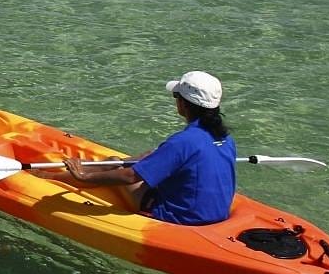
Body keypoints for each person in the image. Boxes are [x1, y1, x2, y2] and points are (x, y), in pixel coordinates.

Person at [59, 71, 236, 225]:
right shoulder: (226, 138)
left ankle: (50, 177)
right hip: (218, 214)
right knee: (137, 159)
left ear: (183, 104)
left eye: (176, 96)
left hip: (178, 217)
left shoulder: (183, 142)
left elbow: (130, 177)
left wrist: (84, 176)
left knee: (114, 164)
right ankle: (120, 163)